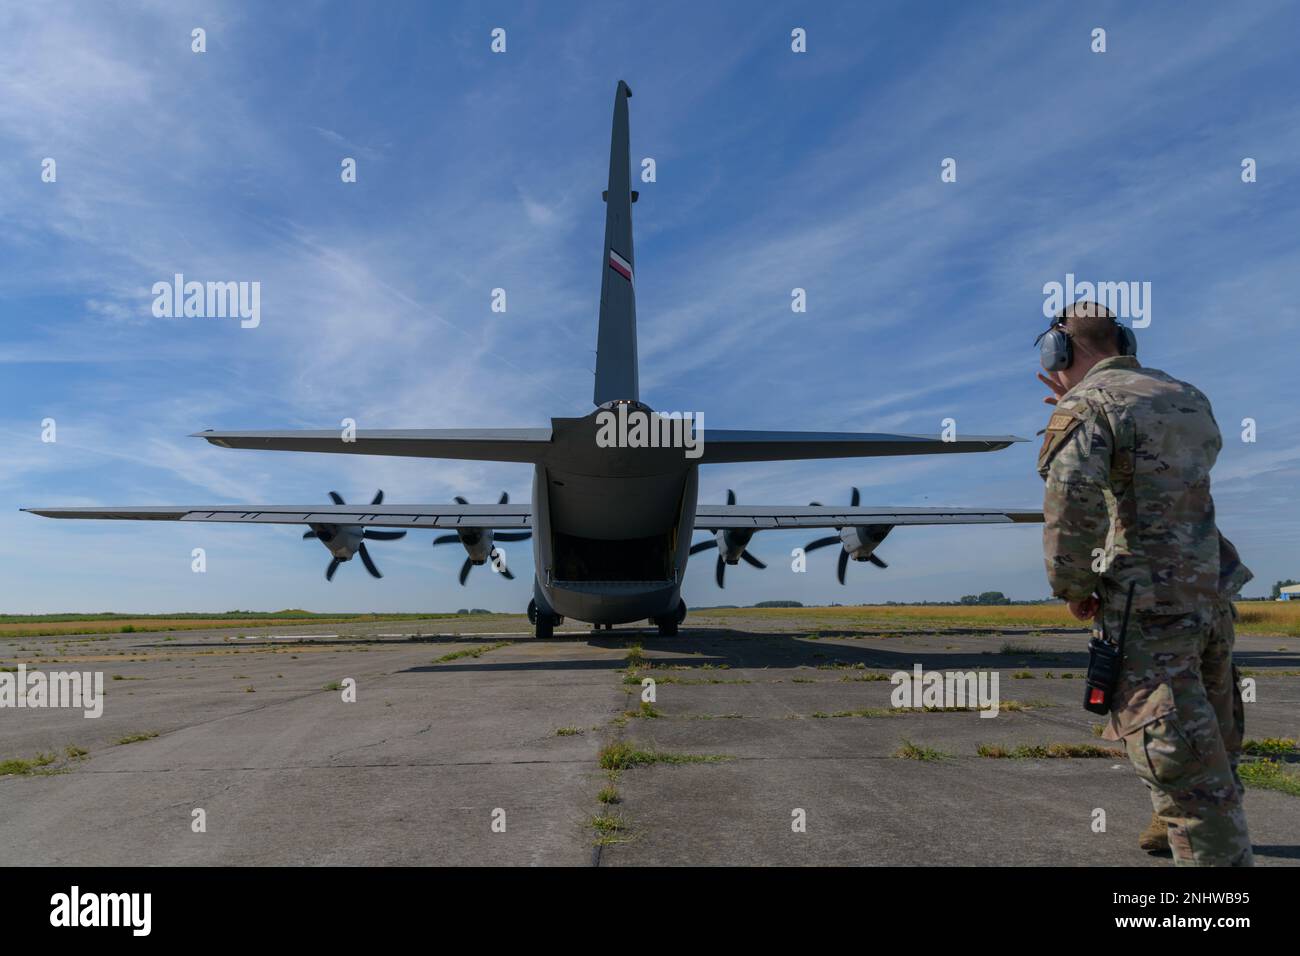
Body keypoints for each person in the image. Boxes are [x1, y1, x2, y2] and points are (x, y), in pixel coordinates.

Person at [1034, 301, 1253, 866]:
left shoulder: (1090, 405)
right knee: (1210, 741)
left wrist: (1074, 586)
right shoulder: (1188, 397)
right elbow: (1161, 471)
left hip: (1147, 608)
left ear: (1060, 351)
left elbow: (1071, 505)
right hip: (1209, 595)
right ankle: (1169, 826)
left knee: (1187, 775)